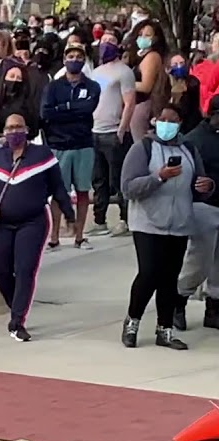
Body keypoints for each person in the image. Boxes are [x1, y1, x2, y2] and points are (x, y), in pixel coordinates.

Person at [120, 104, 214, 350]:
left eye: (171, 120)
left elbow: (197, 187)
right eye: (161, 119)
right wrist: (159, 177)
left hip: (179, 224)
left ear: (180, 123)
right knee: (149, 273)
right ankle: (133, 321)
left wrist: (205, 187)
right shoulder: (143, 148)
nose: (165, 123)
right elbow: (128, 187)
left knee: (170, 278)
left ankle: (165, 329)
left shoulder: (189, 149)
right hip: (148, 223)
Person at [0, 113, 75, 342]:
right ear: (3, 131)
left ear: (27, 129)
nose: (14, 132)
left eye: (18, 127)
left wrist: (70, 216)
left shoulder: (42, 156)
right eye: (10, 128)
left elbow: (58, 188)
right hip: (1, 223)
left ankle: (17, 320)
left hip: (32, 222)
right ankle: (17, 304)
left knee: (24, 270)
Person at [41, 45, 99, 249]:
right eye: (71, 56)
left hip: (83, 144)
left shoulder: (92, 86)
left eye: (79, 56)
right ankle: (54, 237)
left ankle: (79, 236)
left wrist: (63, 108)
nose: (75, 59)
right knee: (58, 192)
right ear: (64, 59)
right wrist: (72, 110)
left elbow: (88, 109)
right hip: (59, 145)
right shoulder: (53, 87)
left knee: (83, 191)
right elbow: (47, 114)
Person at [176, 95, 219, 331]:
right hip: (204, 207)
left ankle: (214, 309)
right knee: (199, 261)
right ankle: (177, 301)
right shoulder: (195, 141)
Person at [89, 38, 136, 237]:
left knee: (118, 178)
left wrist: (122, 129)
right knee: (98, 179)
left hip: (113, 131)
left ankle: (126, 219)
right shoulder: (97, 72)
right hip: (95, 131)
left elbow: (130, 102)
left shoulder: (124, 72)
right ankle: (100, 220)